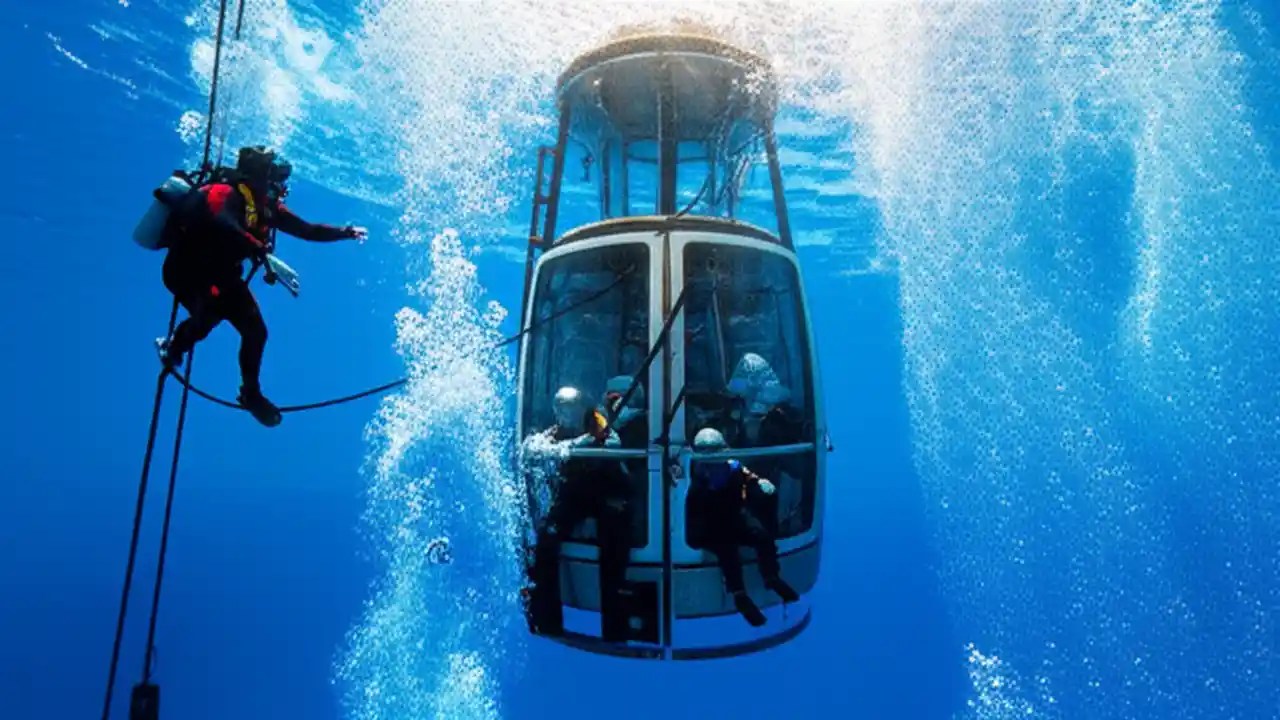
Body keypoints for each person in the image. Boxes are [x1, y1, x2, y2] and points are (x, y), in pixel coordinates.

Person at [155, 145, 367, 427]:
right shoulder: (225, 192)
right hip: (188, 270)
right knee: (210, 314)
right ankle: (174, 347)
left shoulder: (269, 210)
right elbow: (221, 221)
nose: (282, 189)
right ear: (262, 178)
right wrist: (258, 249)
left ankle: (251, 395)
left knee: (256, 331)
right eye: (278, 181)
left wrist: (346, 232)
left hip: (223, 276)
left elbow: (308, 230)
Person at [523, 386, 633, 642]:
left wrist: (592, 439)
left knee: (615, 539)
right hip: (575, 495)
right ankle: (547, 619)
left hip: (606, 491)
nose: (567, 414)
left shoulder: (595, 421)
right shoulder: (554, 433)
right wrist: (574, 445)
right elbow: (536, 450)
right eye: (562, 409)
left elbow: (614, 441)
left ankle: (615, 626)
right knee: (547, 537)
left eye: (572, 408)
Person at [687, 427, 798, 627]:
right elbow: (692, 509)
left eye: (715, 451)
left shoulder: (734, 468)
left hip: (733, 522)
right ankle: (739, 594)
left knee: (762, 537)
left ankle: (771, 576)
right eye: (705, 452)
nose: (711, 457)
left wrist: (759, 482)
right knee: (727, 551)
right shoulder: (696, 477)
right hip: (709, 529)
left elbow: (748, 476)